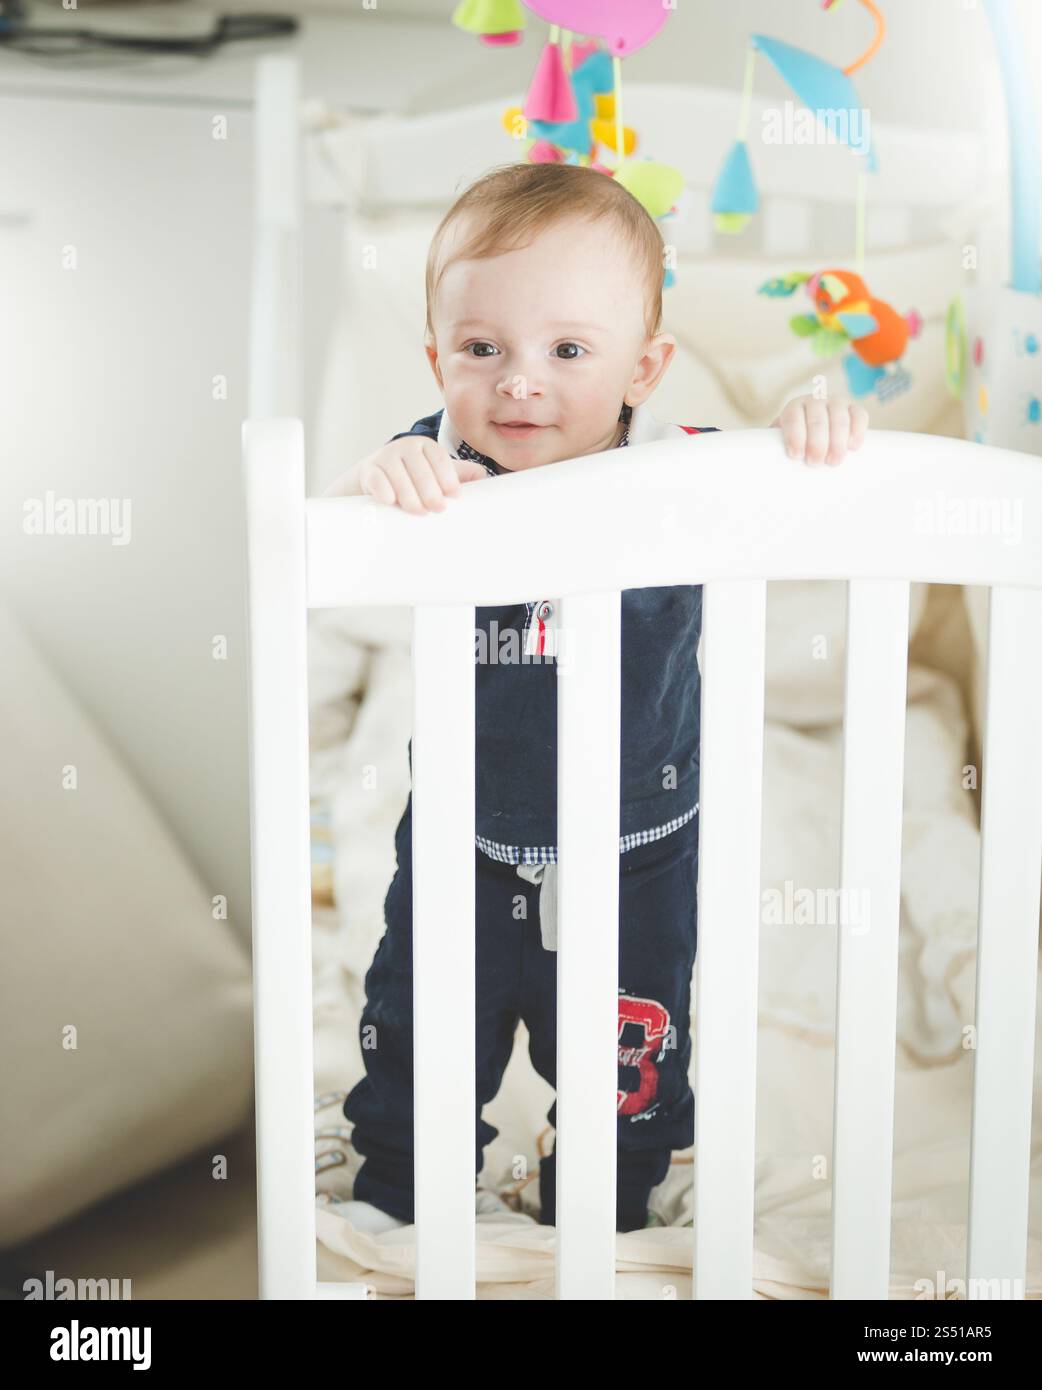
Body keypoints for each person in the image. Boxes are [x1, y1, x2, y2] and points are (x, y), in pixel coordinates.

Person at [322, 161, 869, 1234]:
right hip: (465, 844)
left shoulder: (687, 471)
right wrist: (374, 473)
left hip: (638, 848)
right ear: (439, 361)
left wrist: (814, 426)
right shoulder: (434, 465)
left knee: (634, 1051)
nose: (520, 381)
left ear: (641, 369)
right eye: (482, 350)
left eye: (568, 350)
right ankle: (402, 1200)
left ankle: (607, 1208)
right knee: (419, 1030)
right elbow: (335, 531)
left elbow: (803, 489)